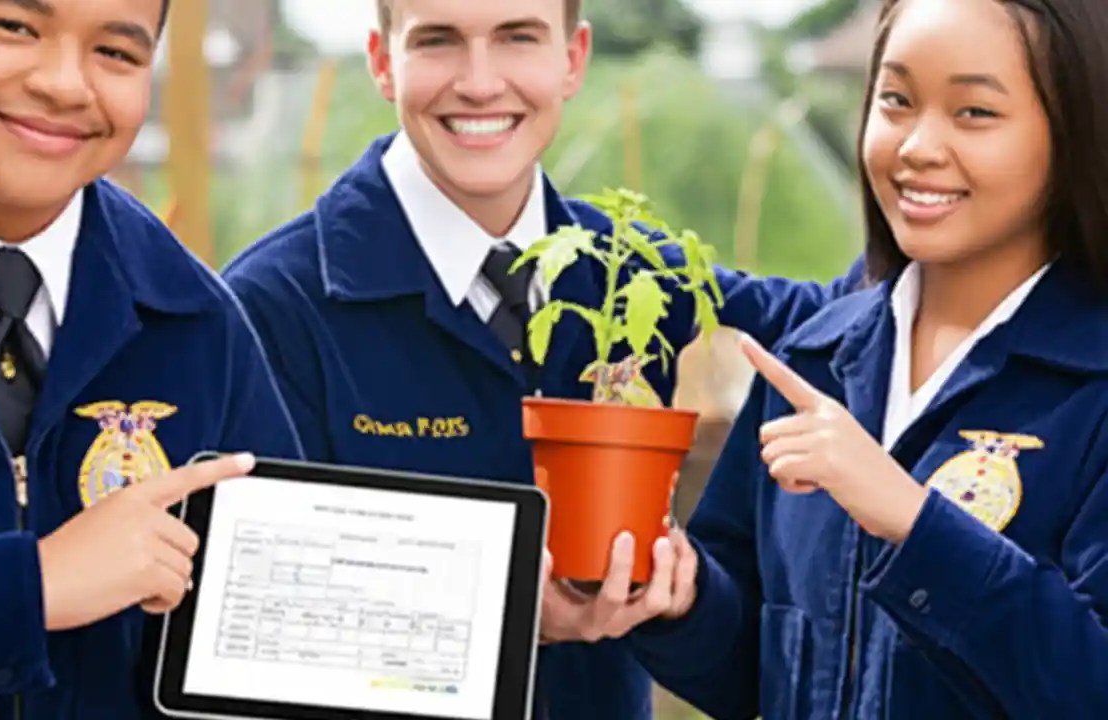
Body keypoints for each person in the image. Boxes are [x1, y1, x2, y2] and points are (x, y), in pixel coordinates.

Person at [221, 0, 865, 717]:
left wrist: (926, 183)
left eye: (517, 37)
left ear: (573, 58)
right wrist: (499, 615)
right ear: (381, 60)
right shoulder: (272, 306)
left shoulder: (625, 270)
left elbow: (849, 318)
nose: (479, 81)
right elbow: (251, 619)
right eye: (438, 41)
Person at [612, 0, 1108, 717]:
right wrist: (680, 601)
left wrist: (914, 522)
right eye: (897, 101)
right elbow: (750, 669)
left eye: (973, 112)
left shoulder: (1092, 387)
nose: (916, 146)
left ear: (1072, 133)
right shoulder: (811, 363)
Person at [0, 0, 302, 716]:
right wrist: (32, 587)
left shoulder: (194, 322)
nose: (64, 83)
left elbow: (277, 644)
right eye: (14, 27)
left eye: (116, 53)